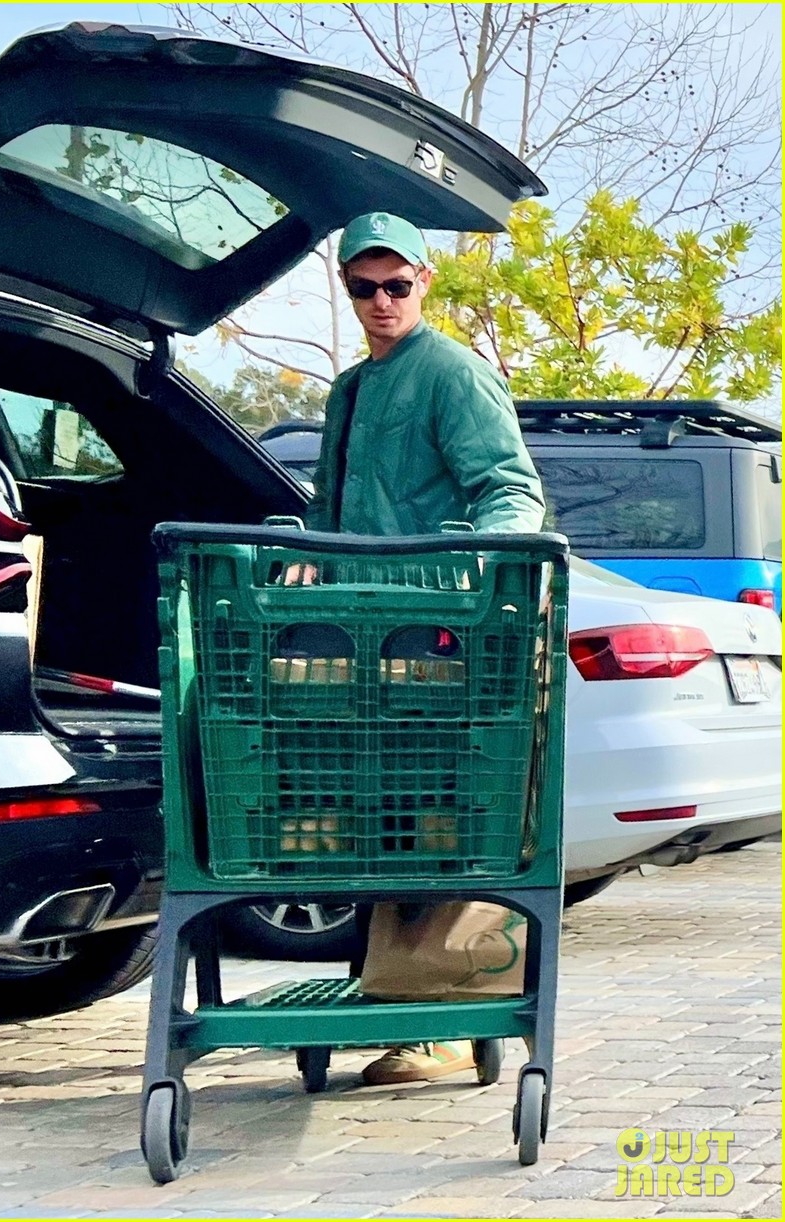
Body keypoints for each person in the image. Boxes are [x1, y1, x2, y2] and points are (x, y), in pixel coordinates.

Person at [300, 211, 545, 1085]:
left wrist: (476, 579)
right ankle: (394, 996)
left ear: (425, 283)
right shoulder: (349, 390)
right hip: (358, 650)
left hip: (436, 643)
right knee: (380, 818)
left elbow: (509, 491)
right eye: (362, 287)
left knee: (438, 815)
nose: (380, 301)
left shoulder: (451, 372)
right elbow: (332, 515)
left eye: (395, 284)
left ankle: (439, 1024)